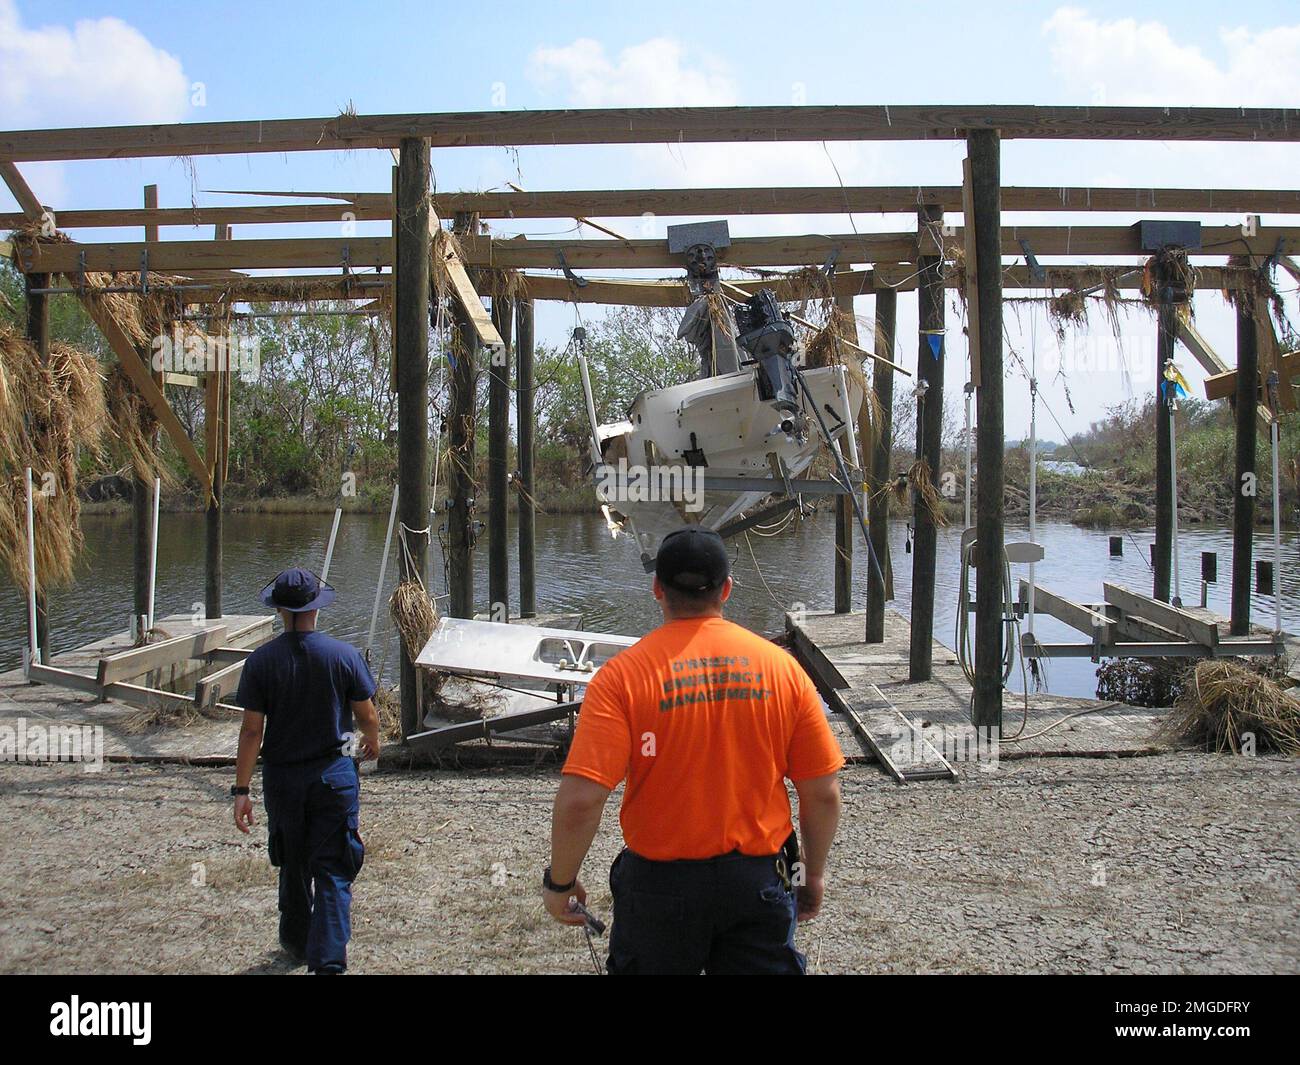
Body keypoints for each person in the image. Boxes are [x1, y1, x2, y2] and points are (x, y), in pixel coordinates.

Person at [543, 527, 843, 974]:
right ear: (726, 589)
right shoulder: (784, 670)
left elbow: (582, 800)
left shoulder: (621, 678)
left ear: (657, 589)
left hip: (659, 887)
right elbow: (821, 793)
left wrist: (560, 881)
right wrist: (812, 874)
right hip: (758, 881)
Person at [232, 567, 380, 974]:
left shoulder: (261, 661)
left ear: (279, 609)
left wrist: (241, 790)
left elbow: (251, 730)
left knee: (292, 860)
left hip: (283, 781)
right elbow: (367, 715)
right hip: (334, 777)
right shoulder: (344, 656)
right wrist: (372, 742)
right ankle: (328, 961)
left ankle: (296, 941)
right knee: (333, 868)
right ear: (317, 608)